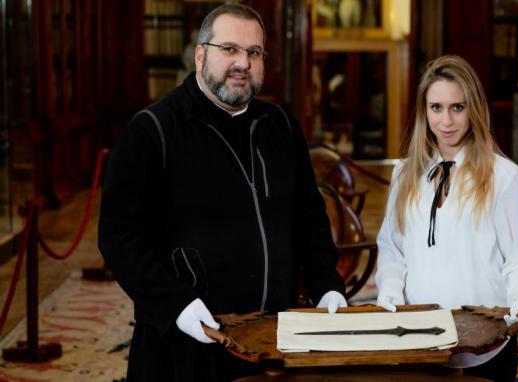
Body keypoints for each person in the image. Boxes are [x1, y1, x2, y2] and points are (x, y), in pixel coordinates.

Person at [98, 4, 347, 381]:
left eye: (253, 52)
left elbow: (309, 218)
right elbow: (118, 238)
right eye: (229, 49)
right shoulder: (151, 131)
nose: (242, 63)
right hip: (187, 341)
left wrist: (326, 284)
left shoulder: (281, 127)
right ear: (201, 55)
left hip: (273, 339)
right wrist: (175, 304)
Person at [375, 55, 518, 381]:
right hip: (419, 336)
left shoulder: (504, 176)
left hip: (486, 338)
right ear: (425, 111)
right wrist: (390, 293)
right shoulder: (405, 173)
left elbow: (517, 255)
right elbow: (392, 249)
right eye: (436, 107)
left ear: (474, 109)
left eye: (458, 107)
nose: (446, 121)